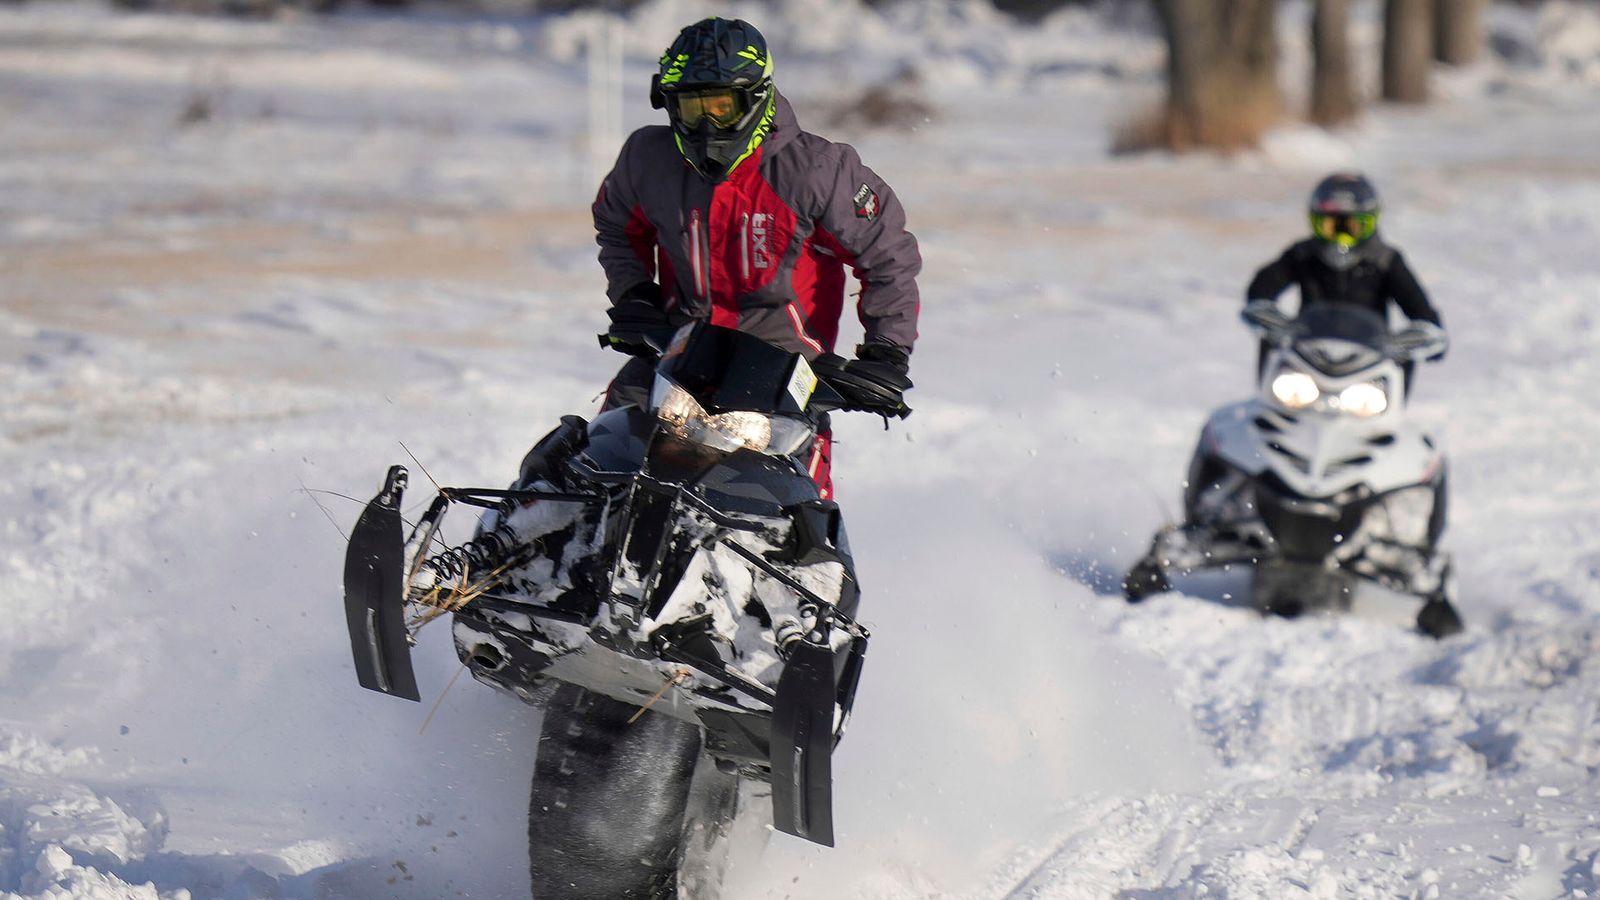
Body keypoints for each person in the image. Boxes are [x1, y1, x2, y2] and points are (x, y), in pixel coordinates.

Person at [591, 17, 922, 499]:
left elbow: (888, 255)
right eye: (691, 107)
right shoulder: (648, 159)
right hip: (675, 349)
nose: (706, 124)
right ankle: (515, 550)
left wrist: (886, 352)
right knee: (598, 459)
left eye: (721, 107)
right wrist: (635, 294)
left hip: (783, 371)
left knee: (790, 507)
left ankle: (812, 569)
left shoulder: (818, 171)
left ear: (757, 99)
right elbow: (617, 225)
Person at [1245, 172, 1445, 377]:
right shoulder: (1303, 255)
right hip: (1306, 361)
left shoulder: (1385, 261)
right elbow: (1260, 291)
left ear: (1371, 223)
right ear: (1316, 223)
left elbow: (1420, 309)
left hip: (1369, 368)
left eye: (1353, 228)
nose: (1342, 238)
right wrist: (1275, 323)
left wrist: (1429, 338)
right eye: (1332, 227)